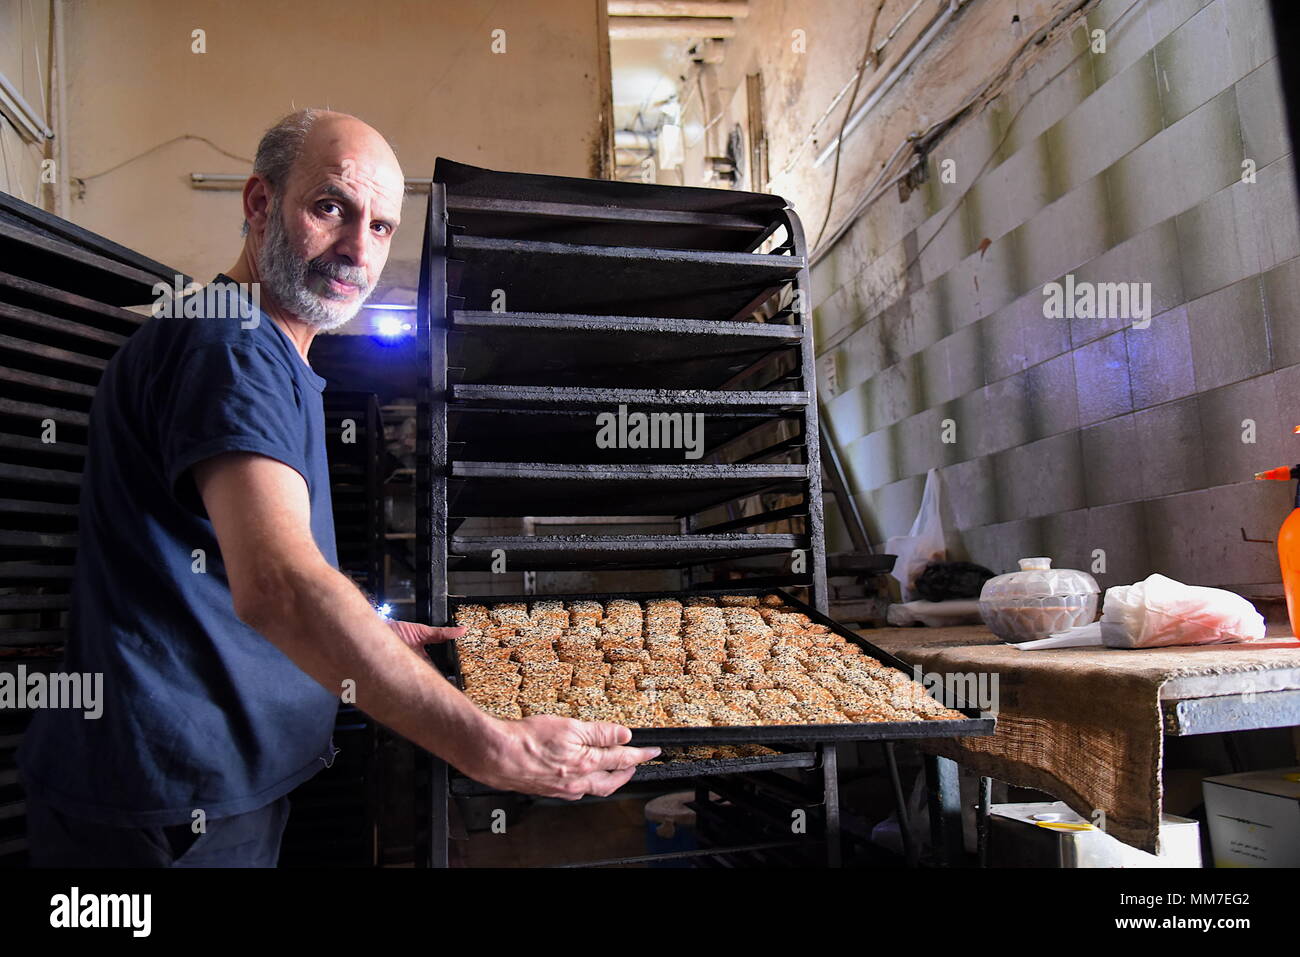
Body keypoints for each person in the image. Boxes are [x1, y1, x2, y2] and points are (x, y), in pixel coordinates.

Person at [17, 109, 659, 867]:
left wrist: (371, 635)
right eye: (332, 208)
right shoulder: (234, 349)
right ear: (259, 204)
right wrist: (490, 746)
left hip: (198, 791)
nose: (359, 249)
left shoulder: (254, 349)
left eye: (382, 227)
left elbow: (231, 569)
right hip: (168, 807)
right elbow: (281, 586)